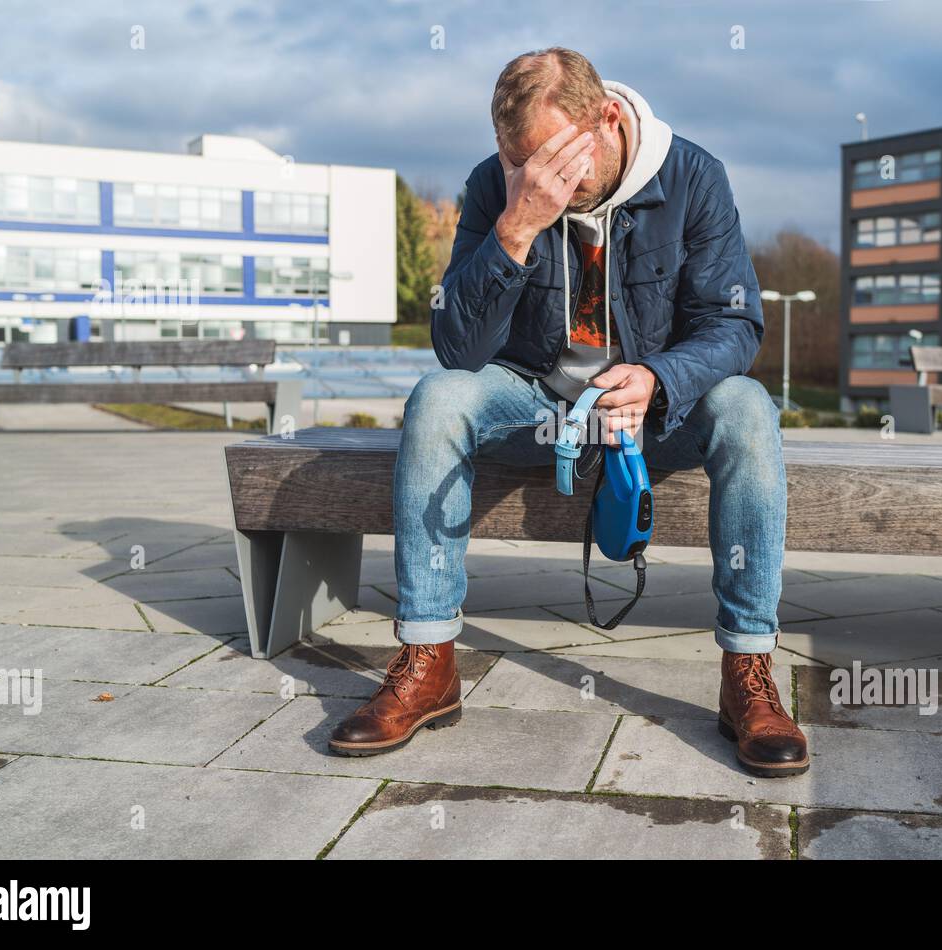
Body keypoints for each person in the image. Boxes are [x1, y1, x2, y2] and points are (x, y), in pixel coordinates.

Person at [329, 47, 807, 777]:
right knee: (439, 399)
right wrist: (515, 230)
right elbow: (458, 348)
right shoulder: (499, 188)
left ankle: (748, 672)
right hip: (535, 403)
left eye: (551, 163)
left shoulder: (693, 177)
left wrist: (657, 375)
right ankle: (429, 657)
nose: (536, 181)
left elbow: (734, 325)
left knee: (746, 406)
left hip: (654, 414)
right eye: (516, 164)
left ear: (606, 120)